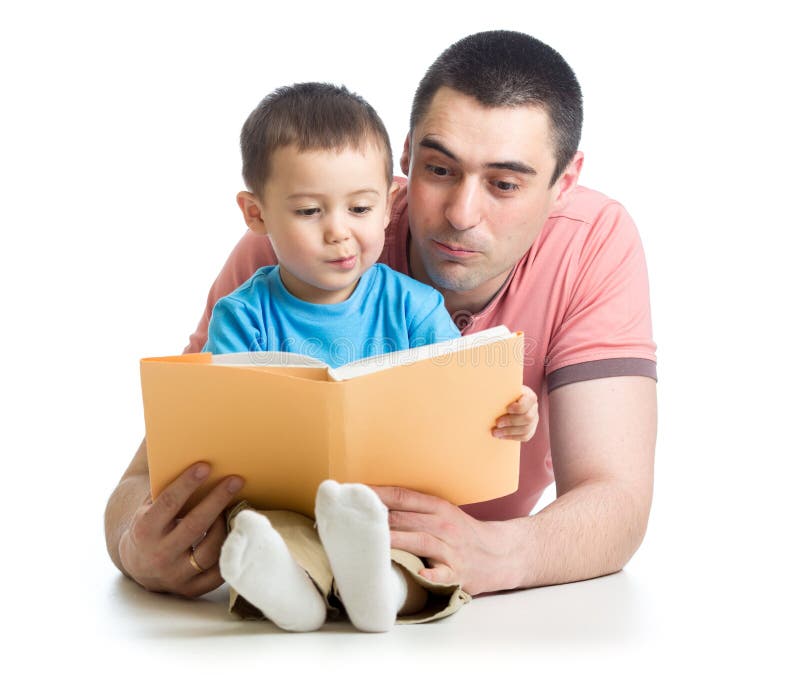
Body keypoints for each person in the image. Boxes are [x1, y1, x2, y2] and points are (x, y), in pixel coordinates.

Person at [105, 29, 656, 608]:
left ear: (563, 184)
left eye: (505, 184)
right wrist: (130, 545)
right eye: (439, 170)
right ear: (407, 156)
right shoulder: (300, 242)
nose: (461, 215)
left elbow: (616, 500)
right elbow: (152, 471)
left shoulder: (594, 244)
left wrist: (500, 553)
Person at [200, 82, 536, 632]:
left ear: (389, 204)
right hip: (284, 504)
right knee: (262, 532)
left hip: (393, 506)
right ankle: (294, 598)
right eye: (309, 210)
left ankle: (376, 589)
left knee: (413, 549)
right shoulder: (243, 316)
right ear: (255, 214)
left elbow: (460, 401)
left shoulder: (414, 306)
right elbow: (219, 426)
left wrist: (513, 411)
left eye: (360, 207)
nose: (339, 232)